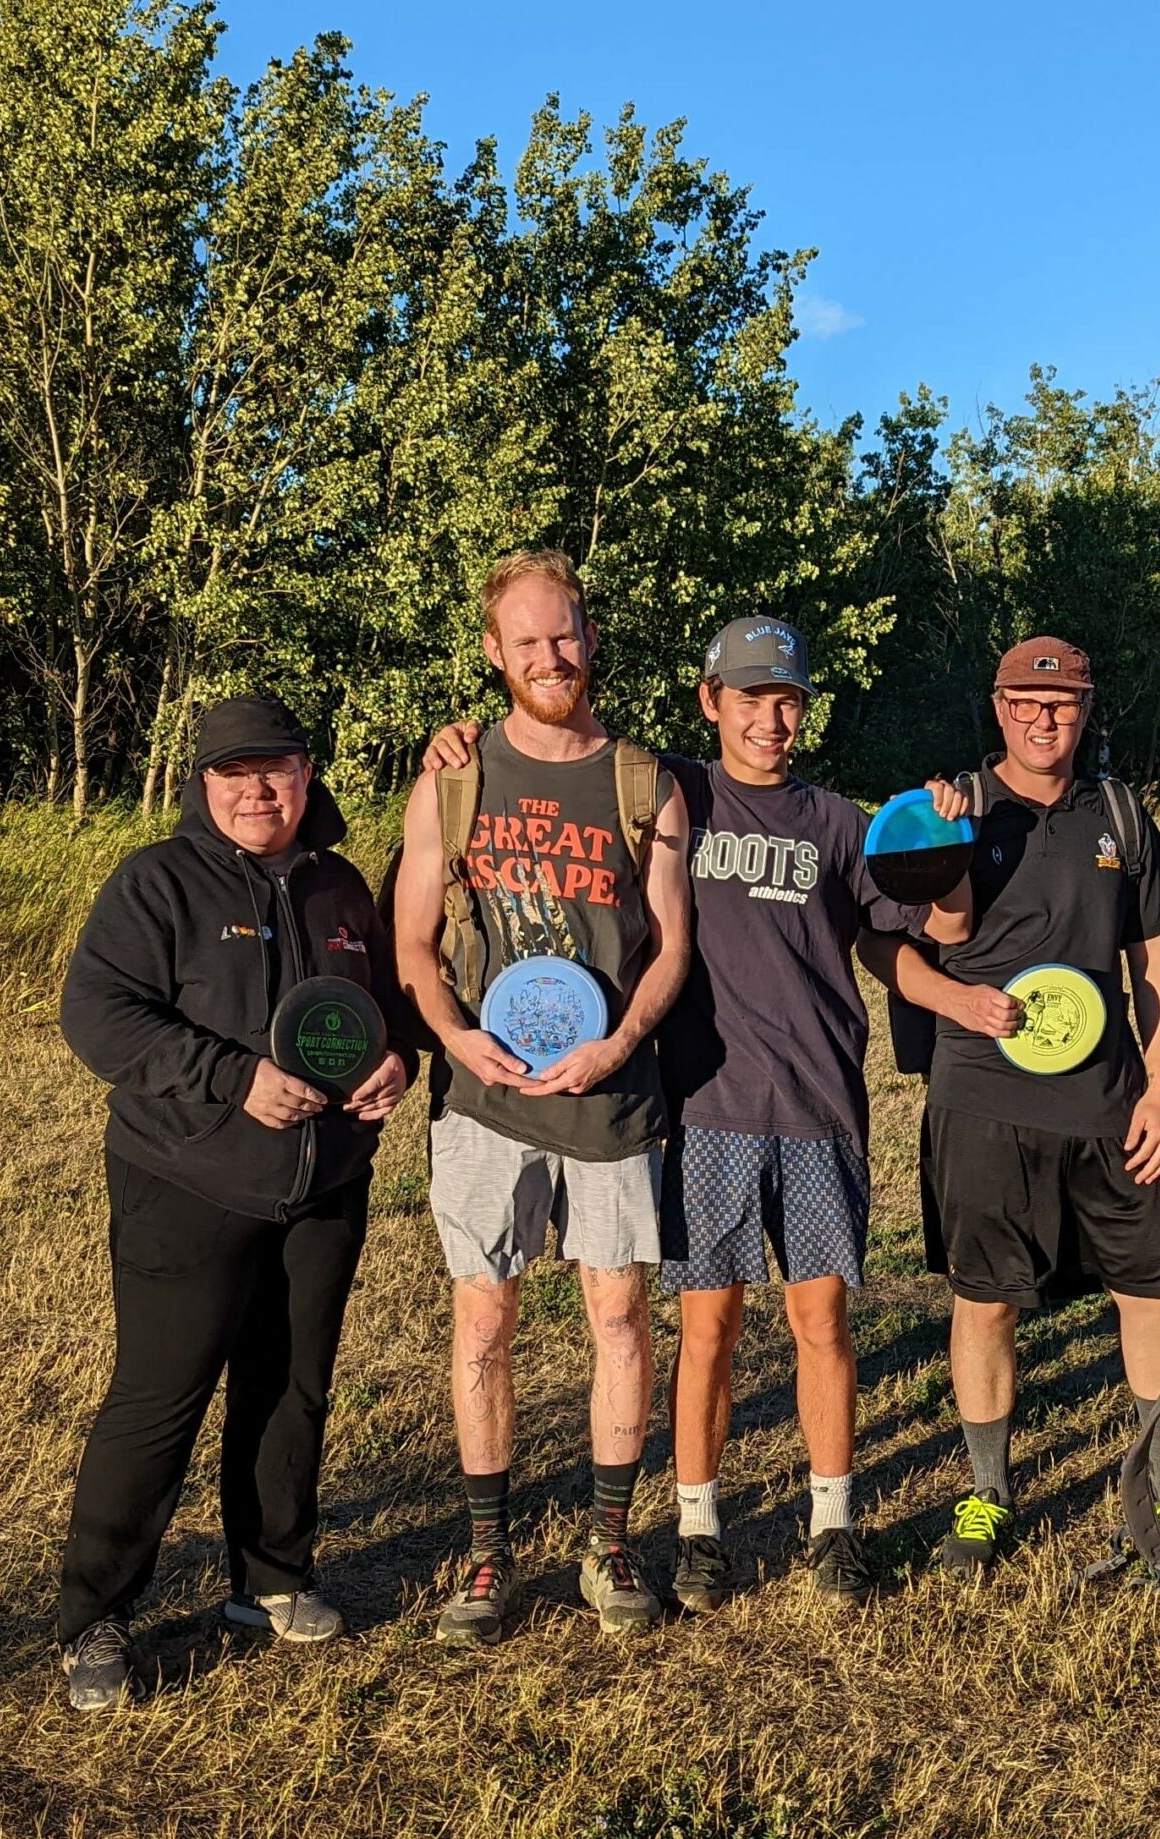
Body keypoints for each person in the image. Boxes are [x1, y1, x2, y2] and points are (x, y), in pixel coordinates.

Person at [420, 616, 971, 1612]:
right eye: (752, 696)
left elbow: (895, 942)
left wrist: (940, 848)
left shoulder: (840, 822)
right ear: (710, 701)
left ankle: (834, 1523)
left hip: (819, 1106)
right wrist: (454, 737)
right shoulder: (672, 789)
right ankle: (699, 1526)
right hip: (707, 1106)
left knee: (821, 1321)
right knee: (706, 1329)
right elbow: (555, 728)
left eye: (789, 698)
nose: (773, 717)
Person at [53, 694, 415, 1713]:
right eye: (234, 774)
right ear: (201, 786)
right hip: (186, 1178)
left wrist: (397, 1061)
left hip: (325, 1184)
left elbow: (386, 1008)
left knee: (292, 1388)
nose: (257, 791)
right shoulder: (157, 882)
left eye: (278, 770)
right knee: (159, 1399)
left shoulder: (342, 889)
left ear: (309, 776)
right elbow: (97, 1017)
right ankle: (96, 1619)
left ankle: (272, 1580)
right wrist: (230, 1077)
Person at [393, 549, 693, 1647]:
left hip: (609, 1102)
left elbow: (670, 947)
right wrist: (455, 1038)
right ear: (493, 653)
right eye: (526, 642)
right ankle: (486, 1557)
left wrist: (618, 1045)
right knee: (484, 1323)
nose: (549, 656)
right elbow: (413, 945)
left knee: (618, 1318)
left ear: (589, 636)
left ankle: (611, 1542)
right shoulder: (452, 780)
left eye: (562, 635)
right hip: (486, 1108)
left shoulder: (642, 781)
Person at [865, 636, 1160, 1579]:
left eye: (1063, 703)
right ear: (999, 704)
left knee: (1155, 1297)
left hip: (1108, 1099)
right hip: (982, 1098)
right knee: (986, 1301)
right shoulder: (946, 809)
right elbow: (889, 948)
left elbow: (1154, 960)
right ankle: (986, 1493)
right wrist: (961, 1000)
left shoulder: (1121, 813)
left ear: (1087, 710)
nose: (1043, 719)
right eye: (1024, 701)